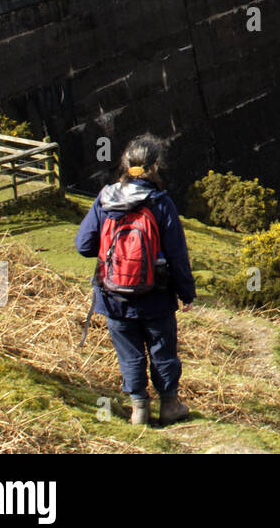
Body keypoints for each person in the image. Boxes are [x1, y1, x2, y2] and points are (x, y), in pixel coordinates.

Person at [76, 134, 196, 426]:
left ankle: (139, 409)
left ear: (125, 164)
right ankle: (169, 405)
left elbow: (83, 245)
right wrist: (186, 292)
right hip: (156, 295)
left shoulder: (105, 198)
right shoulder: (160, 202)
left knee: (129, 352)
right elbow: (178, 256)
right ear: (154, 166)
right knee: (162, 350)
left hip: (114, 295)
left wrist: (114, 255)